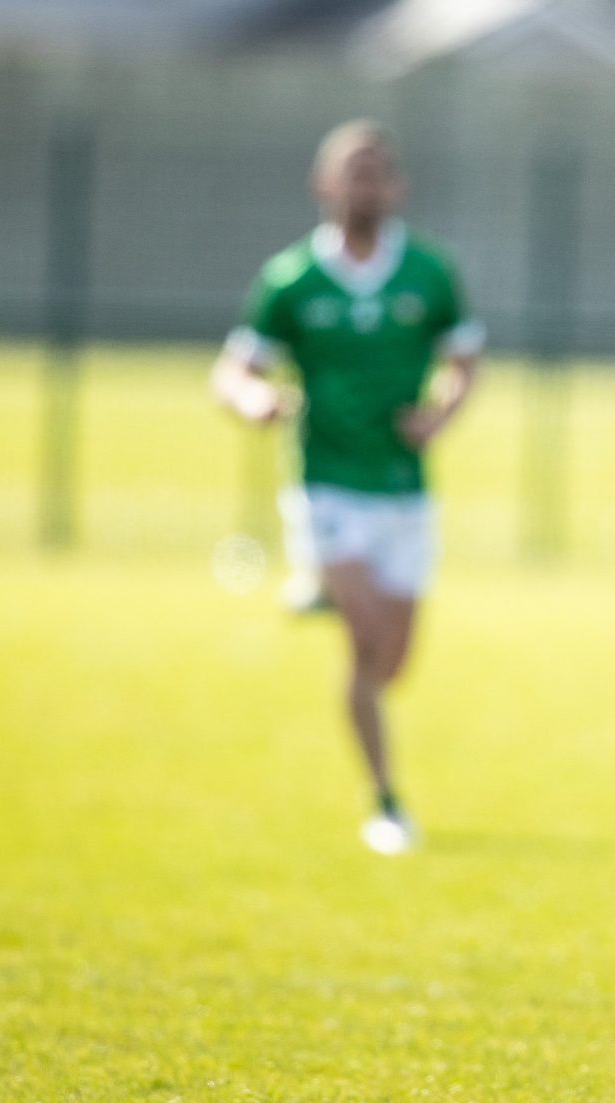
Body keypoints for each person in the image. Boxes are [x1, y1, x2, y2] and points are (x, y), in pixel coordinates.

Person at [211, 120, 483, 856]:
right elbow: (234, 369)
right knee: (365, 648)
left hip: (404, 491)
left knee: (392, 663)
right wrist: (255, 402)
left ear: (395, 187)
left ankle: (329, 587)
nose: (365, 185)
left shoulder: (427, 271)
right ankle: (386, 800)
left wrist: (439, 414)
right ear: (323, 185)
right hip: (326, 484)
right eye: (351, 172)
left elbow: (463, 359)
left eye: (377, 172)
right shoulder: (290, 278)